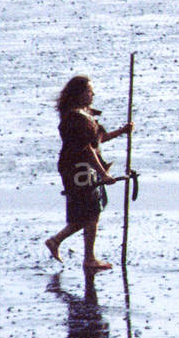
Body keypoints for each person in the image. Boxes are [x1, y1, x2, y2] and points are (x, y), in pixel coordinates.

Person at [44, 75, 133, 269]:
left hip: (84, 167)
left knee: (92, 210)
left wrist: (123, 131)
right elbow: (87, 149)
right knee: (88, 211)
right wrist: (103, 174)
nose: (92, 95)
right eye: (89, 91)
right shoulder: (75, 118)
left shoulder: (84, 115)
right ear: (79, 93)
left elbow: (98, 140)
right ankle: (73, 249)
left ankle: (77, 251)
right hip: (77, 168)